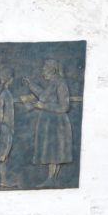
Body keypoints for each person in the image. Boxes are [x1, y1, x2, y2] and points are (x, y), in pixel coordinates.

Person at [22, 58, 73, 186]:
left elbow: (64, 107)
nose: (42, 70)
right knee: (51, 150)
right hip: (50, 123)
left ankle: (52, 179)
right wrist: (30, 85)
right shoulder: (53, 83)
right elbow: (44, 95)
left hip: (57, 123)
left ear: (52, 70)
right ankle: (51, 179)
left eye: (44, 68)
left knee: (54, 151)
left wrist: (42, 106)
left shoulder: (60, 83)